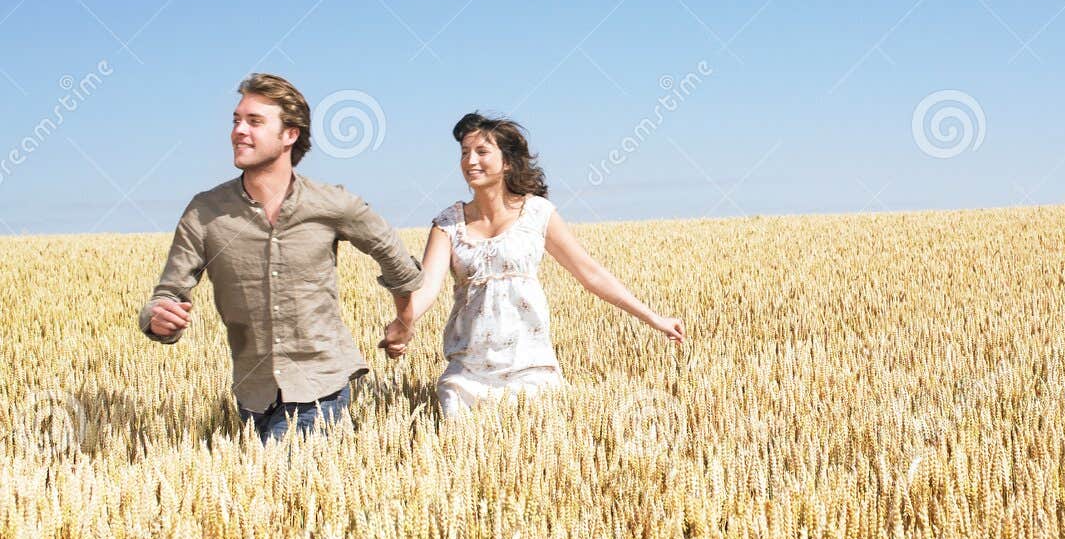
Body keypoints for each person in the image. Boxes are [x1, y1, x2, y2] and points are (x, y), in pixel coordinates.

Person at [138, 75, 424, 443]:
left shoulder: (331, 203)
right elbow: (169, 293)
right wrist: (160, 319)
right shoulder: (205, 212)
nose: (239, 130)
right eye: (236, 120)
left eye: (254, 122)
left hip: (321, 391)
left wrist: (404, 320)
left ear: (289, 135)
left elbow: (396, 260)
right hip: (252, 397)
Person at [381, 112, 684, 418]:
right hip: (467, 371)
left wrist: (654, 319)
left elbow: (589, 273)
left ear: (508, 161)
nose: (470, 160)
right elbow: (428, 289)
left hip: (530, 365)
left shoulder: (538, 213)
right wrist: (403, 322)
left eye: (482, 152)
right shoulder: (447, 224)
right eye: (464, 153)